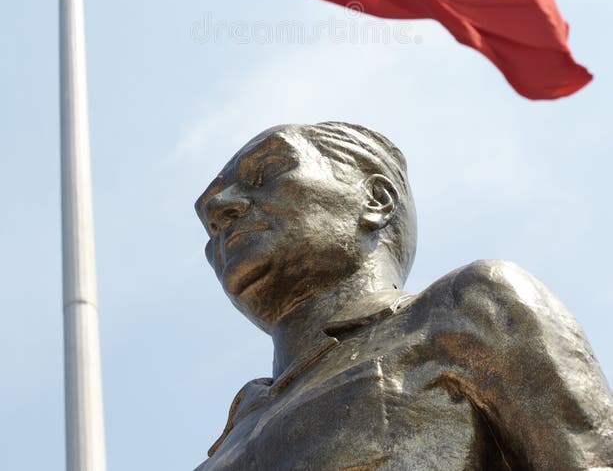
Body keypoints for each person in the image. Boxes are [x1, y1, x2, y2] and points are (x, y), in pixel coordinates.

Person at [194, 122, 613, 470]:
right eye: (208, 215)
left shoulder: (468, 307)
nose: (219, 208)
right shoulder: (230, 437)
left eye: (267, 171)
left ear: (375, 200)